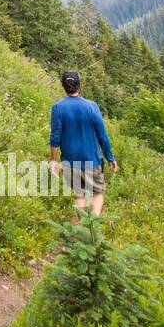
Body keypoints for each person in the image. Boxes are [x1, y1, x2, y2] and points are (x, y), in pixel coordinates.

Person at [49, 71, 118, 220]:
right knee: (97, 194)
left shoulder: (57, 108)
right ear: (79, 85)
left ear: (64, 86)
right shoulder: (91, 106)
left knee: (79, 196)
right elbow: (102, 136)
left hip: (70, 161)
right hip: (91, 159)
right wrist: (110, 158)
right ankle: (92, 228)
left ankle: (75, 235)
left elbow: (55, 138)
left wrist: (54, 161)